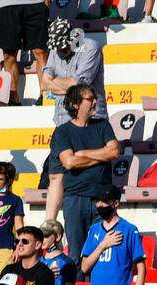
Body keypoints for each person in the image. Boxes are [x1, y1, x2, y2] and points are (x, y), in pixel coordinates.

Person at [39, 18, 106, 225]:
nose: (59, 50)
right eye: (56, 46)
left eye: (63, 45)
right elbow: (44, 82)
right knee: (55, 175)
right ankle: (49, 222)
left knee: (88, 172)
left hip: (90, 120)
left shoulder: (90, 48)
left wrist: (55, 85)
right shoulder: (56, 50)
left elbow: (78, 85)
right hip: (62, 121)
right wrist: (61, 85)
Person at [50, 84, 120, 269]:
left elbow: (114, 151)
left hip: (103, 199)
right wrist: (100, 155)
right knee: (76, 253)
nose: (95, 102)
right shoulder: (63, 131)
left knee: (105, 252)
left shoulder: (103, 125)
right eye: (90, 99)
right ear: (75, 104)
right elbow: (69, 163)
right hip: (75, 200)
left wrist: (82, 153)